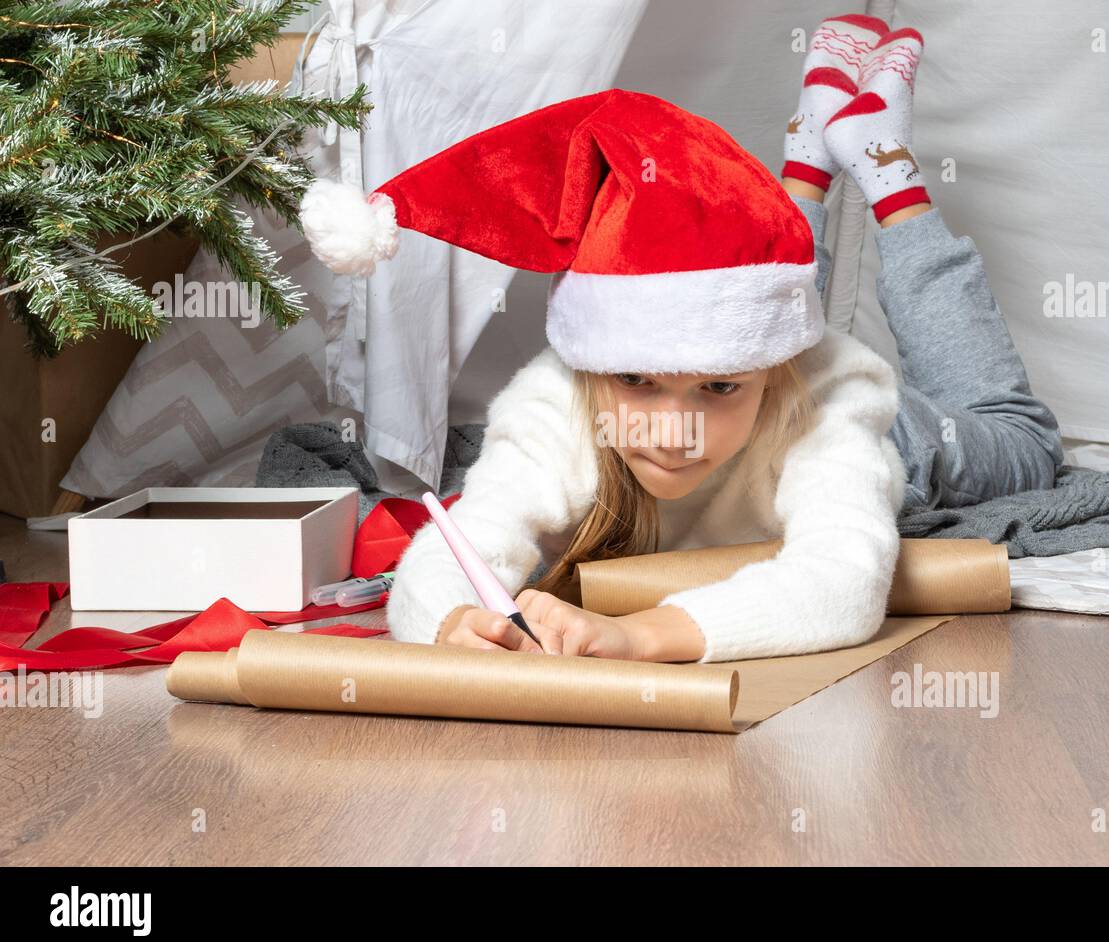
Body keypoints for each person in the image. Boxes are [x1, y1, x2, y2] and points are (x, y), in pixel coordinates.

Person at [302, 15, 1062, 663]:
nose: (674, 428)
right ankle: (806, 159)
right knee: (749, 291)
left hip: (904, 438)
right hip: (771, 355)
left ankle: (885, 165)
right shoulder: (556, 403)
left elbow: (844, 579)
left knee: (1023, 444)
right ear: (593, 364)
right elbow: (450, 550)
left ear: (768, 371)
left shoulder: (829, 405)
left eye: (717, 387)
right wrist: (448, 622)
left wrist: (639, 638)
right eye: (638, 383)